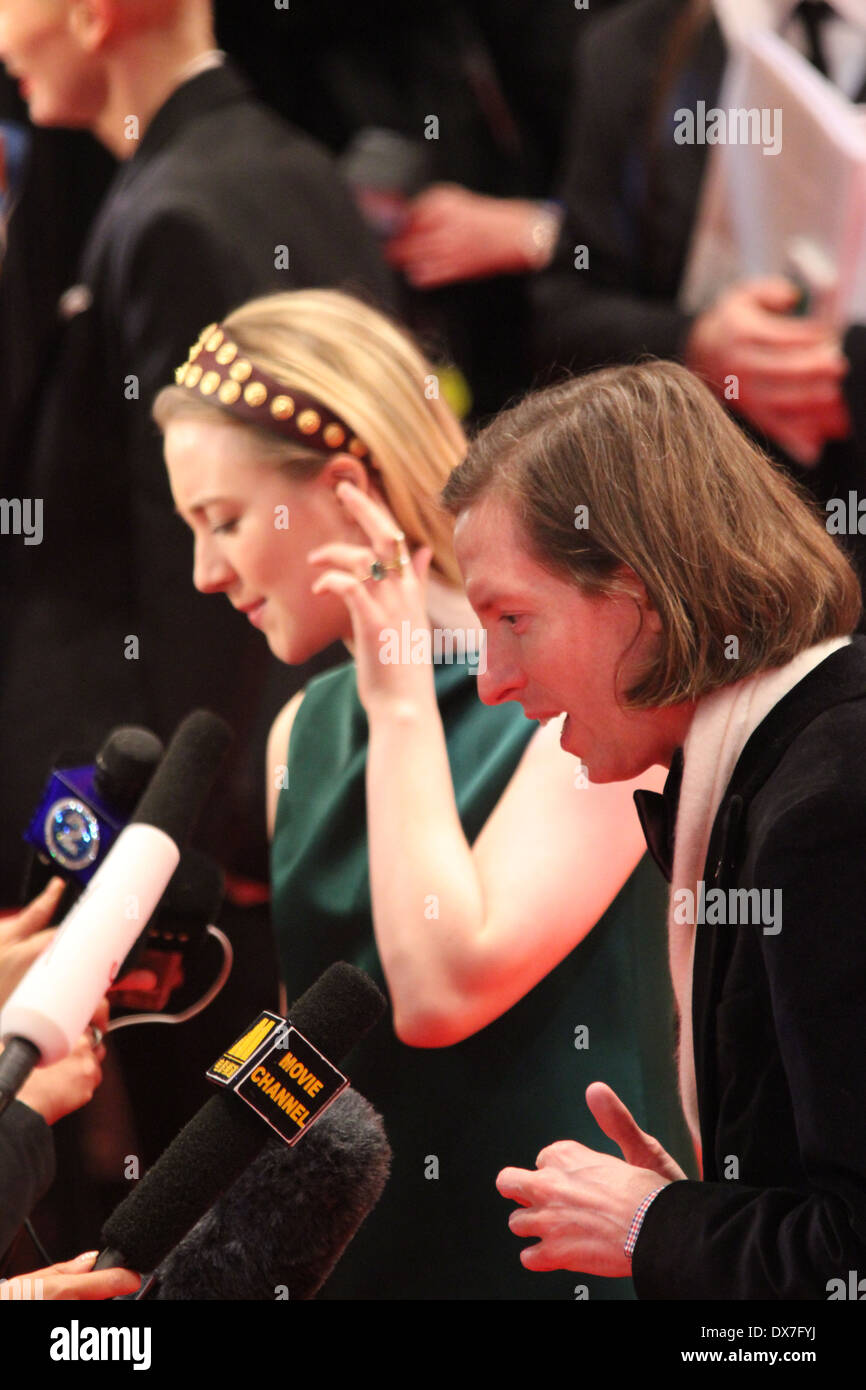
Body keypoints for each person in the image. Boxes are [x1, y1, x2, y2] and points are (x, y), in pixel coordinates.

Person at [154, 288, 693, 1299]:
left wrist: (398, 691)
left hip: (553, 1260)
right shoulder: (304, 728)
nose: (202, 571)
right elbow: (310, 1074)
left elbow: (440, 990)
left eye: (222, 520)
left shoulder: (584, 687)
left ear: (348, 490)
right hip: (361, 1270)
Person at [440, 358, 866, 1299]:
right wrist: (709, 1212)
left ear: (642, 600)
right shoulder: (786, 770)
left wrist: (657, 1228)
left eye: (515, 617)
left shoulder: (831, 807)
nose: (493, 682)